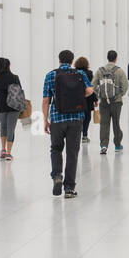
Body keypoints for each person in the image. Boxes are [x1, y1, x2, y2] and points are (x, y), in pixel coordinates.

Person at [42, 50, 93, 199]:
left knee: (56, 148)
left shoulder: (51, 75)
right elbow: (90, 90)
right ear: (71, 61)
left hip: (57, 119)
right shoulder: (80, 74)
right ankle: (69, 188)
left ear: (59, 60)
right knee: (72, 152)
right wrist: (78, 94)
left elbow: (46, 100)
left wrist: (45, 120)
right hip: (76, 118)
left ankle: (57, 175)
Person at [93, 50, 129, 155]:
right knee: (116, 123)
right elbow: (125, 86)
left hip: (103, 101)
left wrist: (99, 95)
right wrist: (119, 95)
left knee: (104, 123)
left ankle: (104, 145)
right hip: (116, 102)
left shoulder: (100, 71)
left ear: (107, 57)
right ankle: (117, 144)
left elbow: (93, 85)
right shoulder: (119, 71)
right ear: (116, 58)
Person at [0, 57, 24, 160]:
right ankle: (9, 153)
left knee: (3, 127)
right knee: (11, 129)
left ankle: (3, 150)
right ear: (9, 66)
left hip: (0, 106)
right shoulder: (14, 77)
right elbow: (19, 91)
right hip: (13, 106)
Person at [75, 56, 97, 143]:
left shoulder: (73, 72)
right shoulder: (89, 73)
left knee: (78, 117)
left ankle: (77, 135)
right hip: (88, 98)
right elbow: (92, 86)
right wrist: (95, 99)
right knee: (87, 117)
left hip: (77, 98)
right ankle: (84, 135)